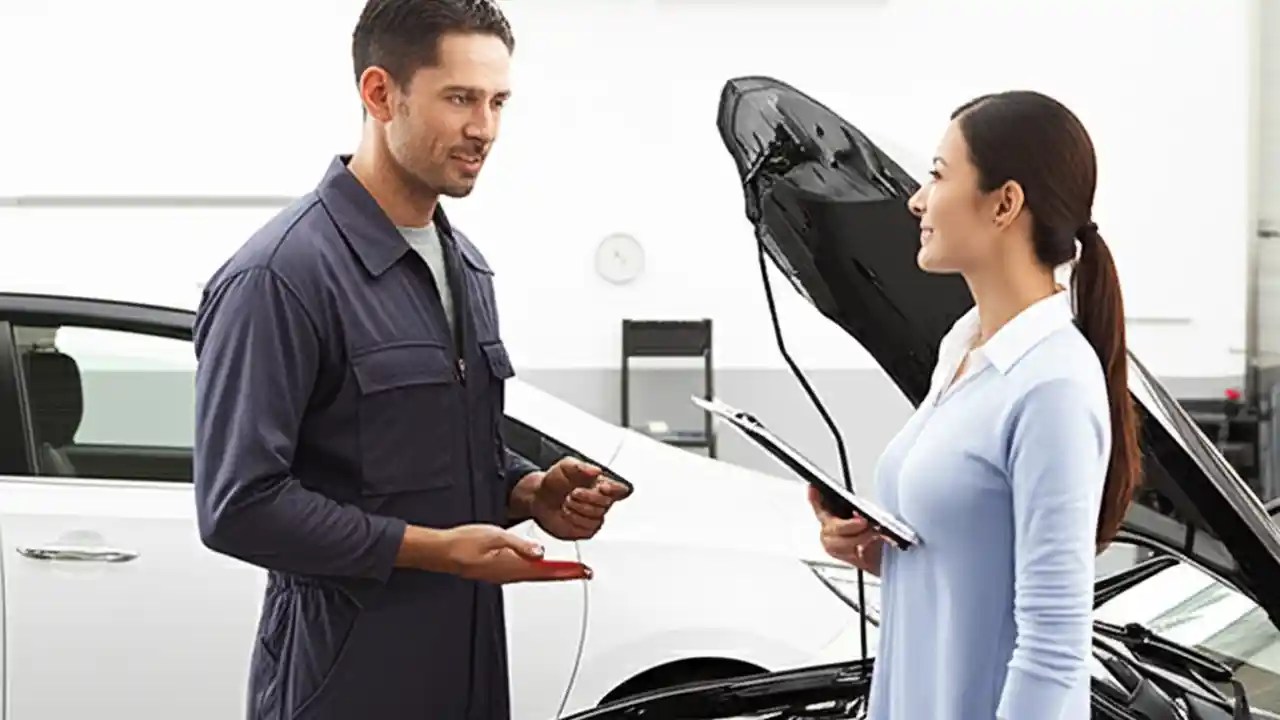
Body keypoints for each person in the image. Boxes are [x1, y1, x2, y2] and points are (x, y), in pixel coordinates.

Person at [191, 1, 631, 718]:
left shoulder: (467, 268)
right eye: (458, 98)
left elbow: (426, 455)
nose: (483, 129)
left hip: (466, 664)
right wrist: (437, 550)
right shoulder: (281, 277)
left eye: (496, 102)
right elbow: (238, 506)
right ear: (378, 93)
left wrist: (527, 493)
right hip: (343, 674)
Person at [809, 91, 1141, 720]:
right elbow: (975, 575)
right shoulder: (961, 351)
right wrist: (870, 550)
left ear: (1005, 204)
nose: (916, 200)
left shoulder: (1052, 385)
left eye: (936, 175)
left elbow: (1053, 647)